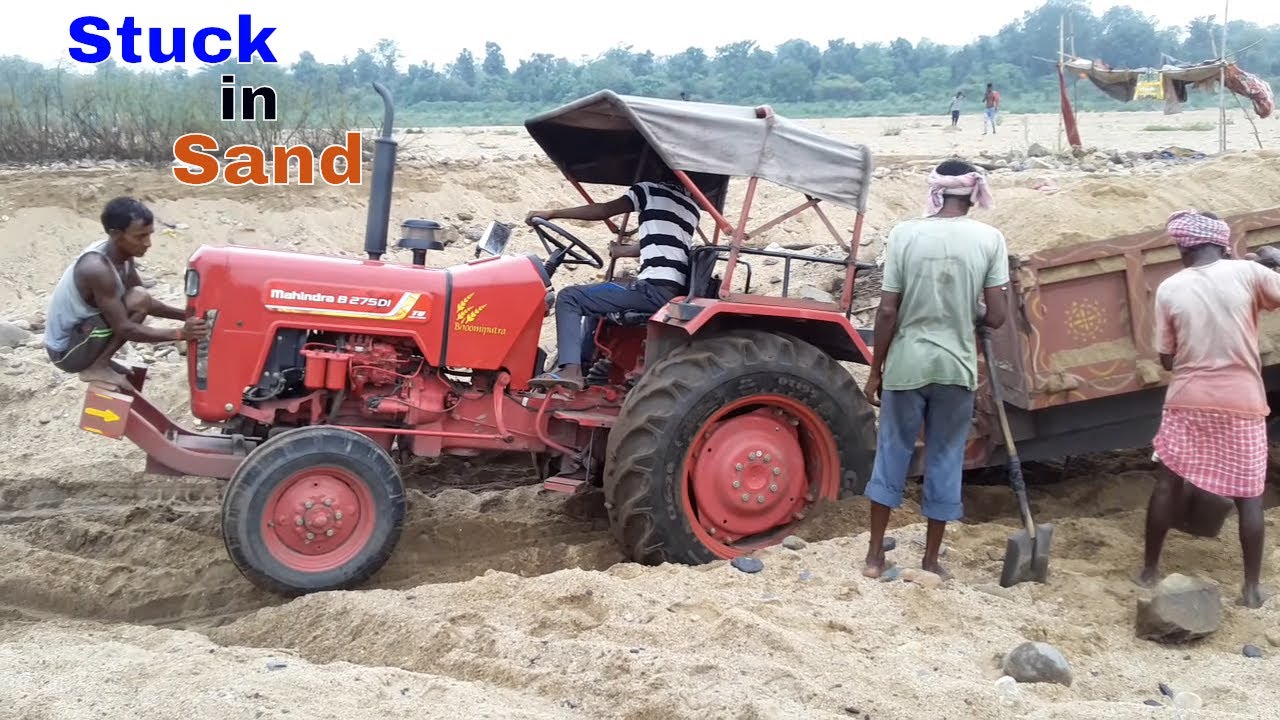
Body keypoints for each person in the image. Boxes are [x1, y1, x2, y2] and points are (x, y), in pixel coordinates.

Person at [861, 159, 1010, 581]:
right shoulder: (989, 239)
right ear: (971, 193)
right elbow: (996, 316)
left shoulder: (905, 234)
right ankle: (929, 560)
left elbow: (888, 311)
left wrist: (876, 372)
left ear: (937, 191)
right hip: (956, 368)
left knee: (892, 453)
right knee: (944, 459)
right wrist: (970, 312)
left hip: (907, 365)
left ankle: (874, 557)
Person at [1135, 209, 1280, 609]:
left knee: (1168, 481)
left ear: (1185, 247)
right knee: (1249, 495)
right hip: (1243, 401)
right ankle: (1250, 589)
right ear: (1222, 243)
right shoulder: (1249, 275)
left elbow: (1166, 359)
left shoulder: (1169, 288)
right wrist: (1273, 260)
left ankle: (1149, 570)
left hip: (1188, 400)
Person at [525, 169, 700, 391]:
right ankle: (587, 367)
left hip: (652, 287)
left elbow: (604, 210)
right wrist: (622, 251)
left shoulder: (649, 190)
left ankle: (570, 370)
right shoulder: (690, 206)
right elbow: (665, 242)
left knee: (570, 298)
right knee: (598, 301)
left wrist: (552, 212)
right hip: (671, 290)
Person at [43, 196, 209, 387]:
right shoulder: (97, 269)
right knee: (137, 299)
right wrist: (180, 334)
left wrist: (189, 315)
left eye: (149, 235)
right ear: (115, 234)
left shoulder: (123, 256)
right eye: (140, 236)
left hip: (81, 339)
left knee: (139, 296)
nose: (148, 243)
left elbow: (145, 303)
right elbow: (125, 328)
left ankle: (99, 361)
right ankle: (98, 366)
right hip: (65, 353)